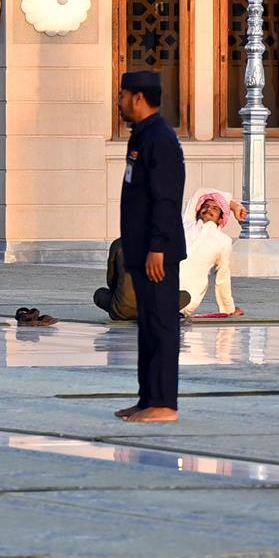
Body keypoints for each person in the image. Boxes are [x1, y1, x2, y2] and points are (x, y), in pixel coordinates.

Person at [113, 69, 185, 422]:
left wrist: (158, 245)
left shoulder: (161, 138)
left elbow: (167, 198)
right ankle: (148, 399)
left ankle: (165, 404)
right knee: (147, 328)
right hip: (142, 251)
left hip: (158, 252)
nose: (119, 101)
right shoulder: (141, 136)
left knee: (162, 326)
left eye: (123, 95)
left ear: (138, 98)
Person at [180, 189, 247, 319]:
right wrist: (234, 206)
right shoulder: (185, 224)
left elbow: (223, 278)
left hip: (186, 296)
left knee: (180, 301)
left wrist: (229, 309)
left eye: (215, 208)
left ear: (221, 217)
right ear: (198, 210)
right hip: (164, 282)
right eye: (205, 206)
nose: (209, 209)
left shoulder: (223, 241)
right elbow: (199, 192)